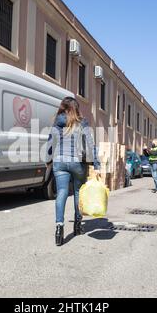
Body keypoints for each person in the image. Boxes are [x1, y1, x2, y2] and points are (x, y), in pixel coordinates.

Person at [46, 97, 100, 247]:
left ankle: (59, 228)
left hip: (59, 161)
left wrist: (47, 159)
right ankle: (77, 226)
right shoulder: (82, 122)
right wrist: (96, 164)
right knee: (78, 193)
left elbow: (50, 142)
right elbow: (90, 144)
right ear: (76, 108)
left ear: (63, 107)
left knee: (62, 192)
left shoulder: (57, 122)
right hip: (77, 162)